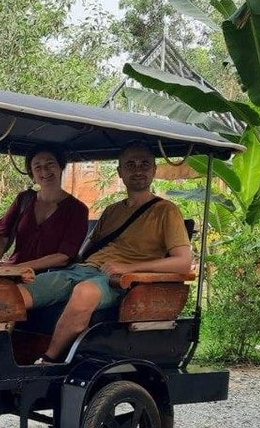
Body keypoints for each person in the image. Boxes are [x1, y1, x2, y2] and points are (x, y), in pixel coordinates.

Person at [19, 142, 191, 364]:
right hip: (81, 271)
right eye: (130, 164)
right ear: (120, 173)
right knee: (19, 292)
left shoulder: (166, 211)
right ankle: (1, 355)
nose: (138, 169)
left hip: (121, 281)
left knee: (85, 292)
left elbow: (183, 262)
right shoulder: (112, 211)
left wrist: (128, 268)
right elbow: (84, 252)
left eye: (144, 164)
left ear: (154, 170)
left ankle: (48, 361)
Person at [0, 146, 89, 273]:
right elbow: (1, 234)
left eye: (50, 164)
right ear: (32, 174)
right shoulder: (23, 199)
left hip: (51, 277)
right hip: (12, 272)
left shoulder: (77, 210)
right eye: (38, 167)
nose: (45, 171)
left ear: (60, 167)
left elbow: (63, 256)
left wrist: (16, 269)